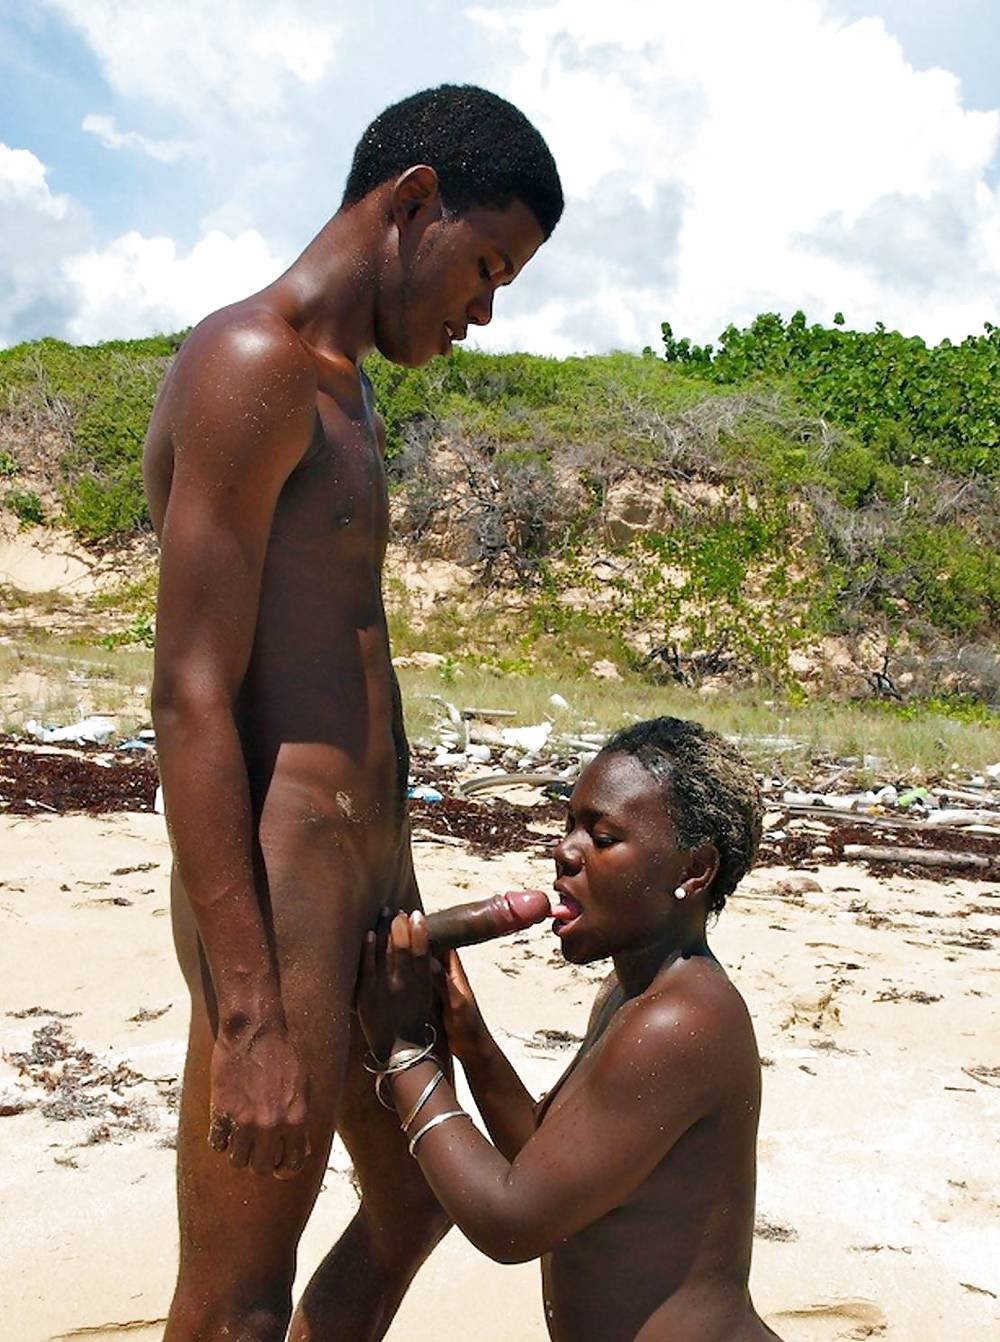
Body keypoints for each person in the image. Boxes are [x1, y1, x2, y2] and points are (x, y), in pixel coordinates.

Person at [142, 84, 563, 1342]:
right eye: (486, 268)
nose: (483, 311)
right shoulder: (250, 364)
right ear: (415, 201)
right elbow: (189, 693)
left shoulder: (348, 390)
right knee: (236, 1302)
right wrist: (251, 1013)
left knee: (410, 1199)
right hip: (281, 893)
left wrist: (404, 890)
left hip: (370, 881)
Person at [358, 717, 785, 1342]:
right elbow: (544, 1163)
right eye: (569, 826)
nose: (565, 851)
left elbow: (512, 1224)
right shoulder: (632, 994)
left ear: (695, 869)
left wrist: (405, 1053)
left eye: (603, 837)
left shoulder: (680, 1020)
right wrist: (470, 1040)